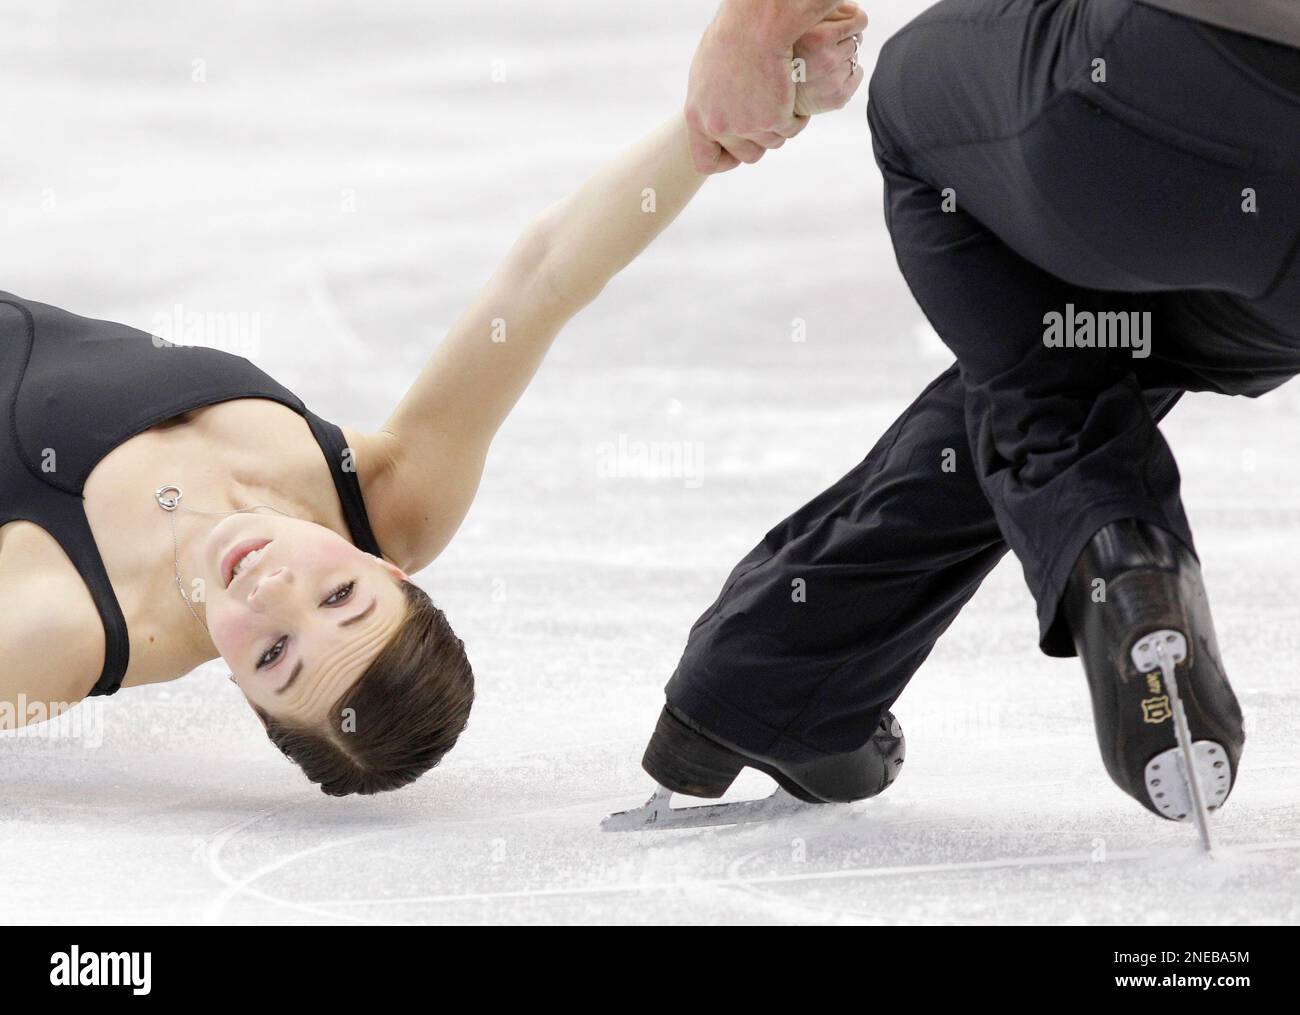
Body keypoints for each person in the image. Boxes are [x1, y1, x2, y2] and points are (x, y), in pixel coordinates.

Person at [0, 2, 867, 796]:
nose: (272, 588)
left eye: (273, 655)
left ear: (247, 696)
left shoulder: (55, 639)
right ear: (386, 567)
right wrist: (712, 129)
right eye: (339, 596)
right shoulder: (391, 500)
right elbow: (542, 283)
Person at [641, 0, 1299, 827]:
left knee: (917, 108)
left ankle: (1121, 555)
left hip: (1194, 83)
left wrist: (751, 30)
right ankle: (782, 673)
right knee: (1123, 326)